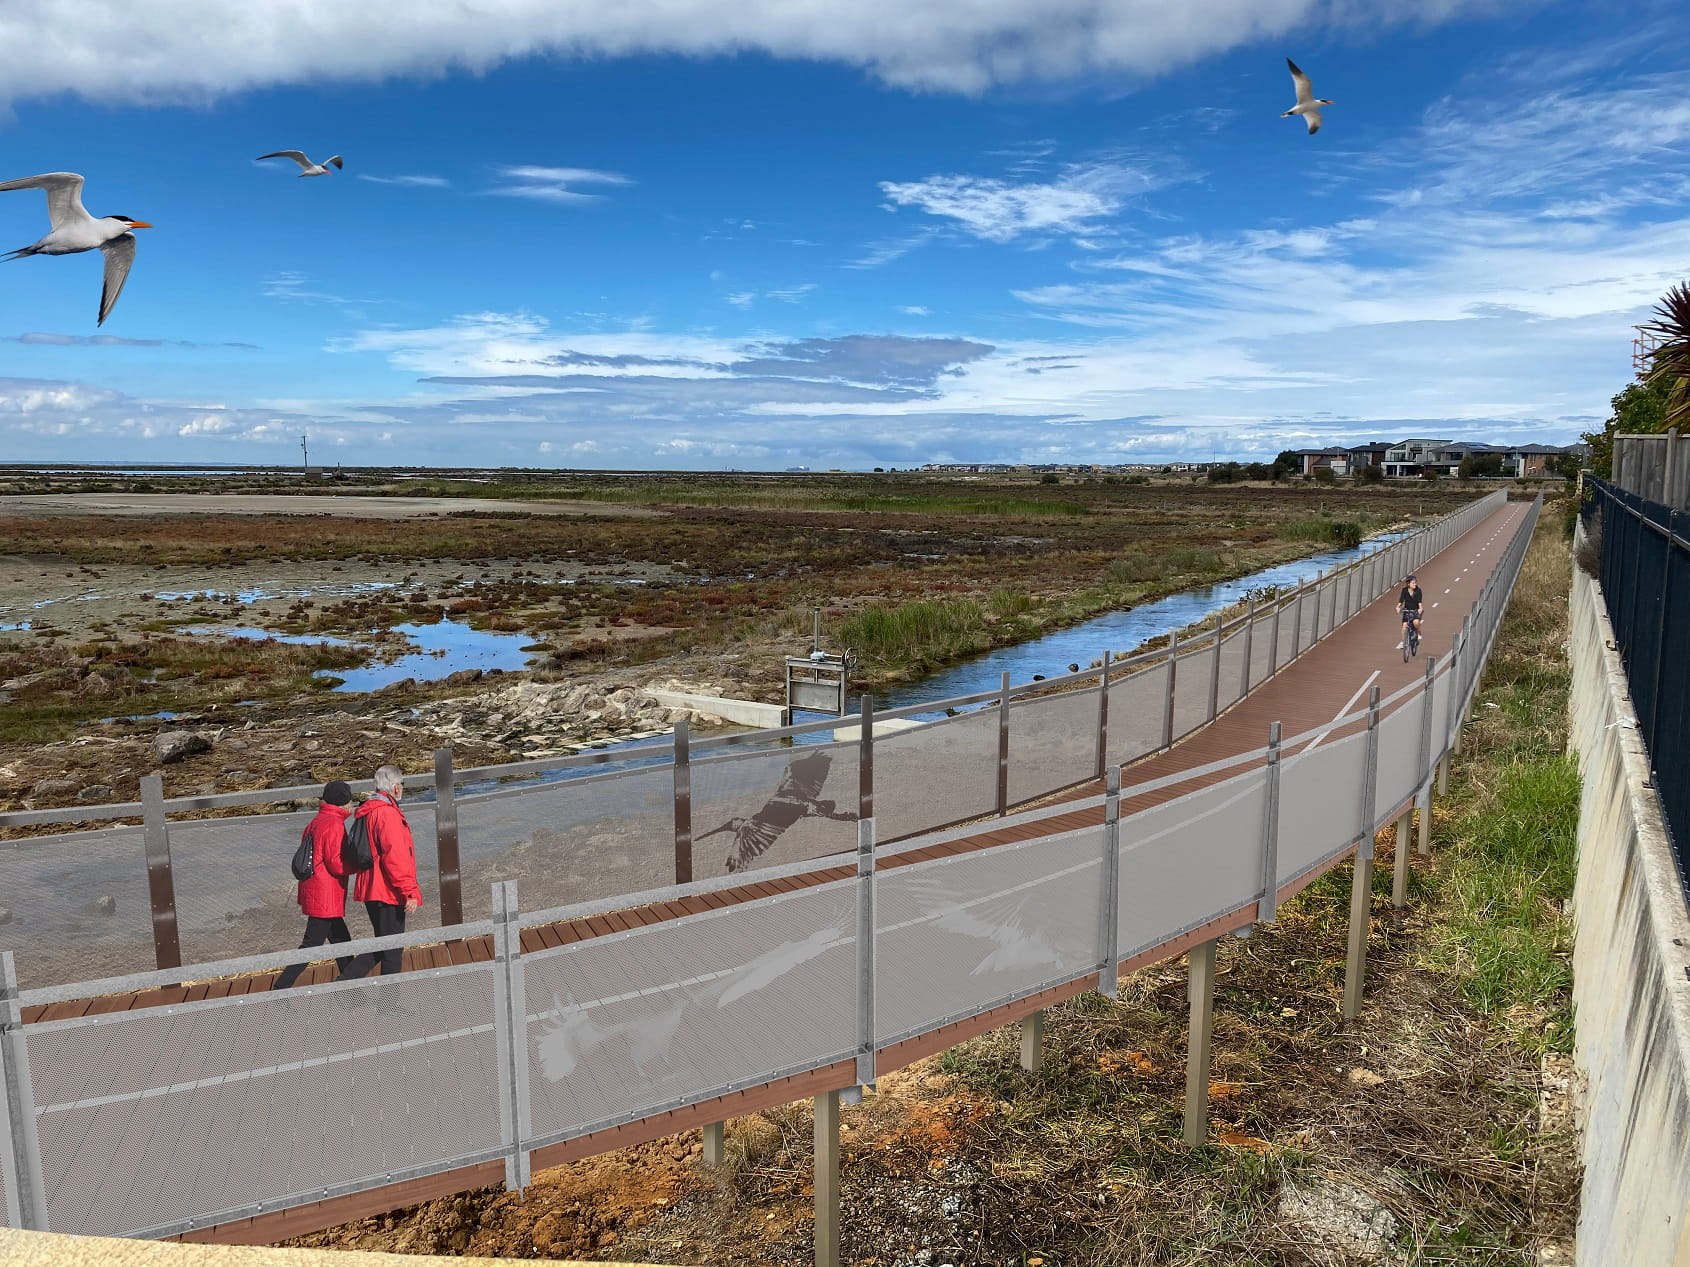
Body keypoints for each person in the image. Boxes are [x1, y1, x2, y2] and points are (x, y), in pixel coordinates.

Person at [338, 764, 423, 980]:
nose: (403, 788)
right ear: (395, 788)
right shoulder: (387, 814)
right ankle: (386, 1004)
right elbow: (396, 858)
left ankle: (346, 983)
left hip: (371, 887)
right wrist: (410, 891)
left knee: (383, 943)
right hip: (387, 890)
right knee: (391, 949)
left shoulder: (368, 809)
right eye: (402, 784)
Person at [273, 780, 355, 990]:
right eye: (350, 800)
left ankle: (353, 989)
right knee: (312, 945)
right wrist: (359, 864)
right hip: (325, 896)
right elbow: (337, 865)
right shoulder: (334, 825)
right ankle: (280, 988)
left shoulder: (318, 820)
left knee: (342, 940)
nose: (353, 804)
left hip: (315, 889)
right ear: (343, 803)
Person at [1396, 573, 1425, 648]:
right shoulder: (1404, 590)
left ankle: (1418, 632)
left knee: (1416, 622)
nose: (1415, 584)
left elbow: (1419, 601)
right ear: (1408, 583)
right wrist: (1398, 607)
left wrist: (1420, 608)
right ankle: (1404, 642)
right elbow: (1401, 601)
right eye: (1413, 583)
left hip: (1415, 610)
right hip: (1407, 610)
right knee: (1404, 625)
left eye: (1415, 582)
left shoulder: (1418, 590)